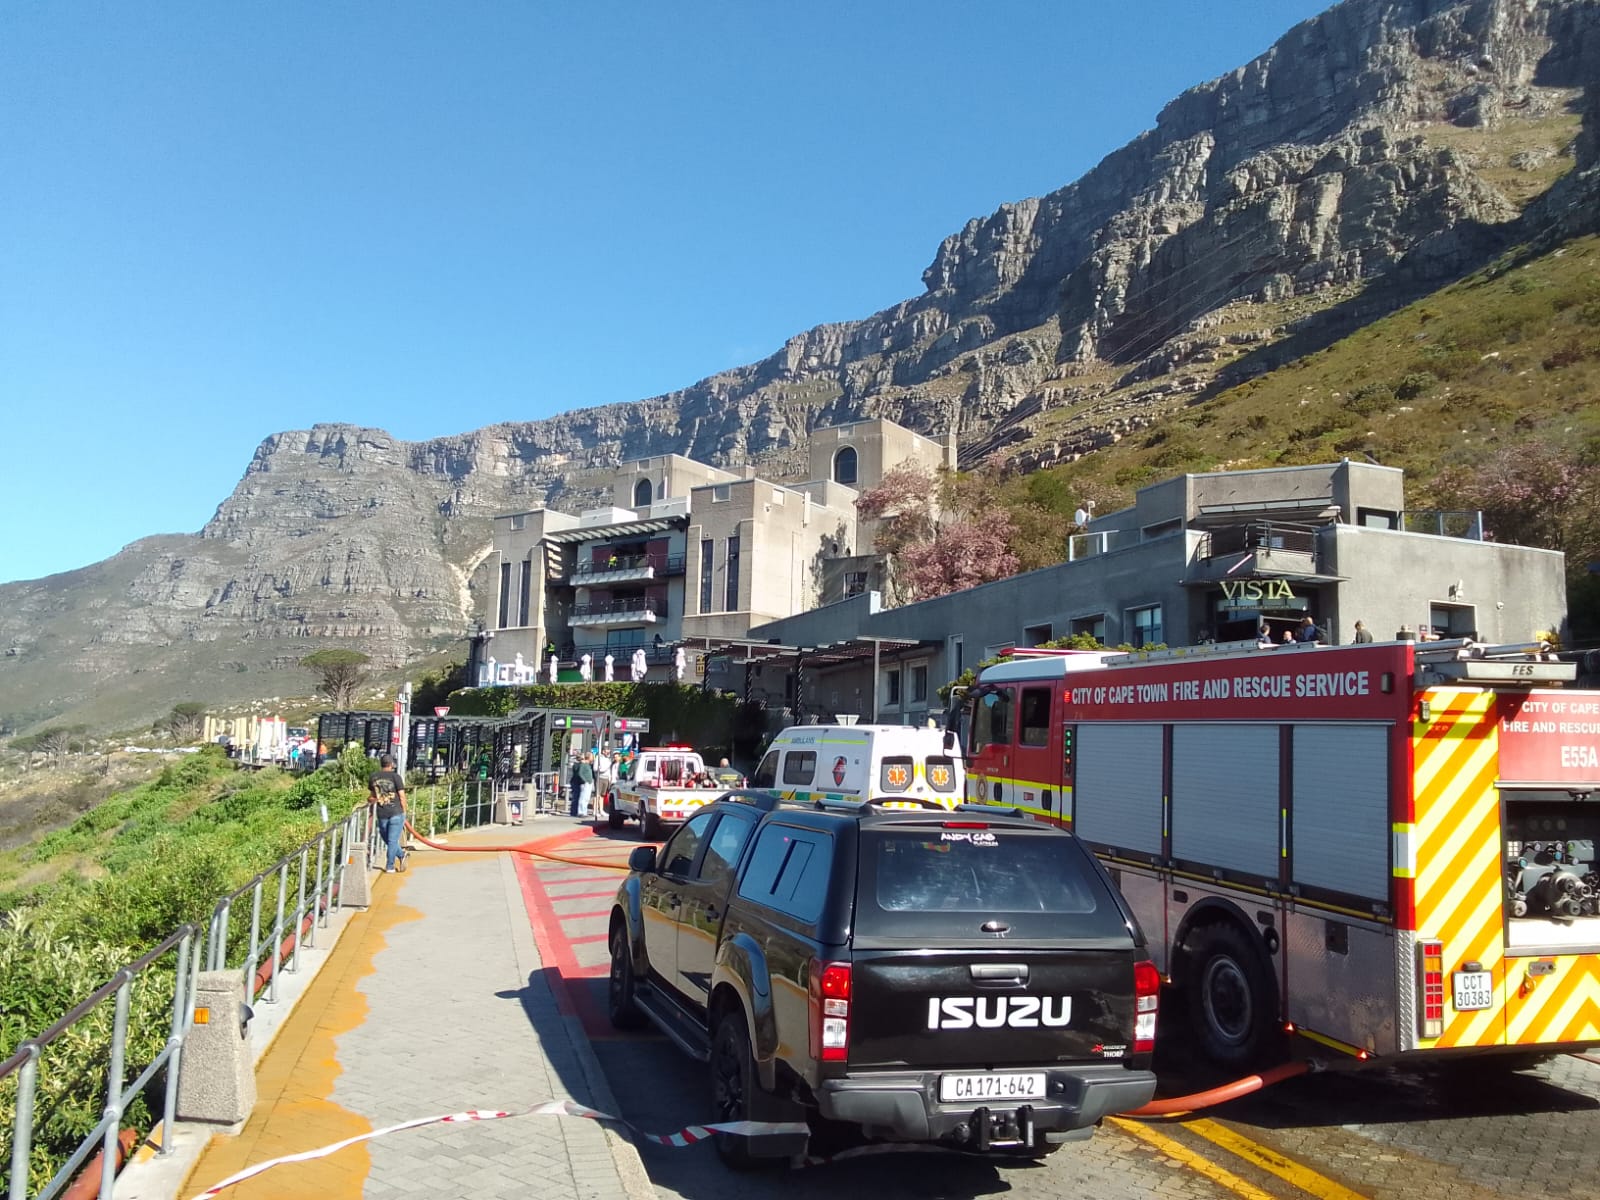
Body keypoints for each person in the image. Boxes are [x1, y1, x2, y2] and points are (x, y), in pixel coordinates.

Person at [368, 754, 408, 874]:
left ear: (381, 764)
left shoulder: (373, 777)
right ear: (391, 765)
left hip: (383, 812)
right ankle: (401, 855)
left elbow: (372, 796)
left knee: (389, 840)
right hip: (396, 812)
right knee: (389, 840)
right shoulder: (396, 777)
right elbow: (402, 796)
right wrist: (404, 812)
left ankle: (389, 866)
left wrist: (370, 800)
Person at [570, 751, 595, 818]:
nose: (593, 758)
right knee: (583, 798)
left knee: (586, 798)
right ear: (588, 757)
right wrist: (585, 781)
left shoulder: (588, 765)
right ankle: (581, 812)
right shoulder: (583, 764)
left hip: (589, 783)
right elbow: (580, 773)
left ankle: (584, 812)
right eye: (592, 756)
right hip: (585, 784)